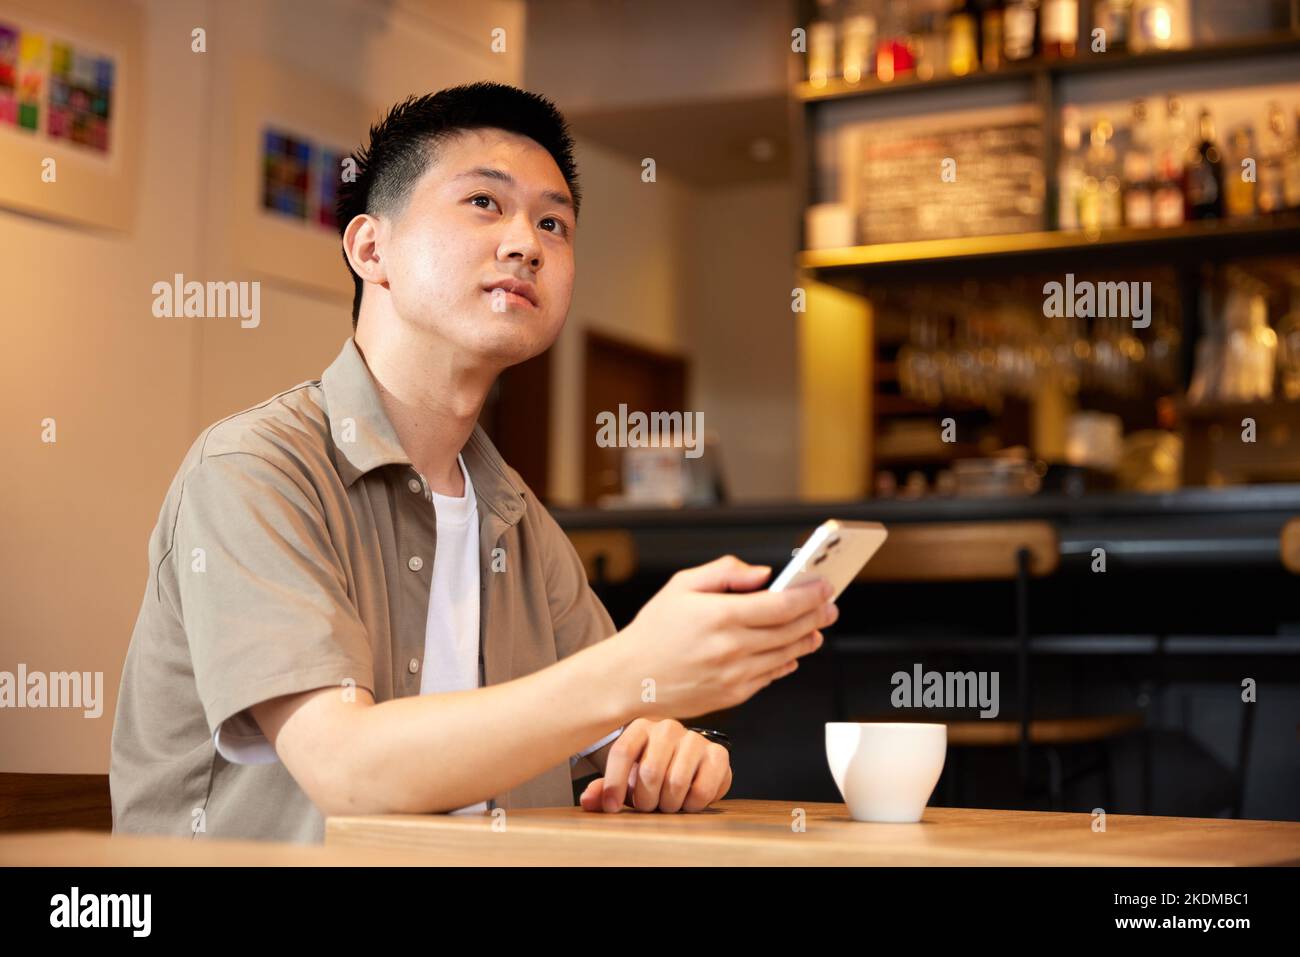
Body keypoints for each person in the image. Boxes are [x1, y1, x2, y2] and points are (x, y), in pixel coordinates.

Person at [110, 82, 836, 843]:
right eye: (485, 204)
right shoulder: (253, 472)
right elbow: (345, 769)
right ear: (370, 248)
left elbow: (623, 729)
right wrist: (629, 669)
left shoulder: (521, 522)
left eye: (553, 223)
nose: (527, 242)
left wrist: (674, 750)